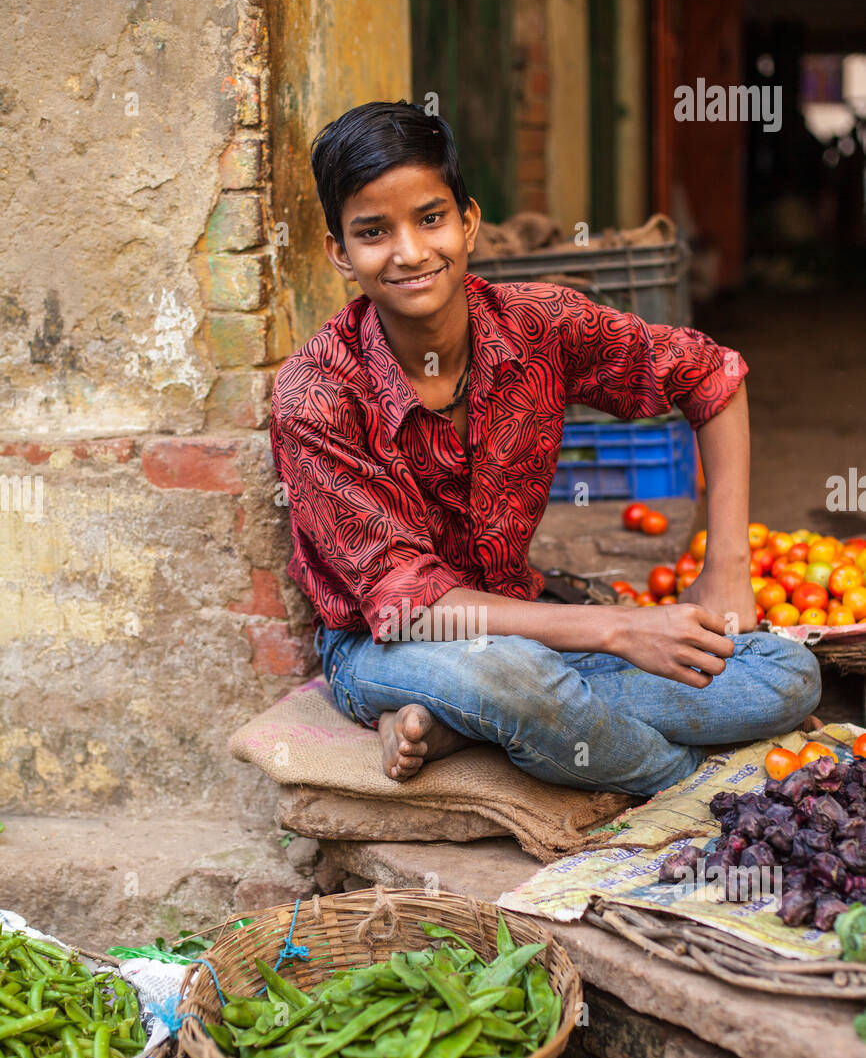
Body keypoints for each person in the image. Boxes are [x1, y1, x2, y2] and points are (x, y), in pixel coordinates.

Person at [269, 100, 821, 798]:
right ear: (340, 253)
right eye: (375, 232)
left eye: (430, 218)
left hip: (525, 620)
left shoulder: (538, 324)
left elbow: (710, 373)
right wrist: (619, 630)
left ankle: (466, 726)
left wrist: (728, 566)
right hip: (384, 650)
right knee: (507, 678)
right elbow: (407, 604)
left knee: (786, 673)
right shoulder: (315, 393)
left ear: (468, 222)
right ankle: (692, 793)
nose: (410, 252)